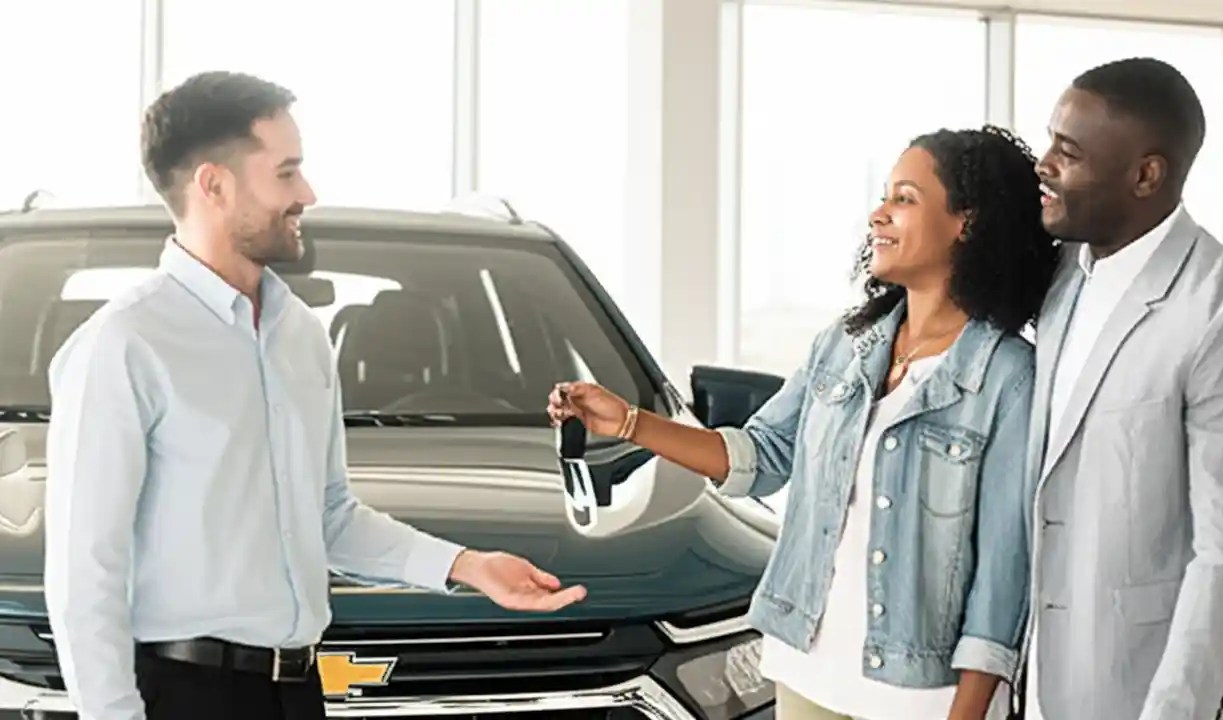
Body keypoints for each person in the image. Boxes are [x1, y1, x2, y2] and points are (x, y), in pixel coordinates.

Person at [42, 70, 586, 720]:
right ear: (213, 184)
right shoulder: (124, 345)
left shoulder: (297, 332)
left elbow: (327, 516)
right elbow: (85, 573)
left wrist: (467, 565)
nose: (307, 193)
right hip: (181, 696)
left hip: (297, 694)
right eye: (286, 173)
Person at [549, 125, 1060, 720]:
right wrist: (631, 423)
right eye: (884, 196)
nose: (878, 214)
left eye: (904, 198)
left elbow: (1003, 577)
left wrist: (968, 713)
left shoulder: (1007, 376)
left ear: (965, 222)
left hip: (922, 697)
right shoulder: (844, 345)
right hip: (805, 670)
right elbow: (761, 457)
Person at [1019, 57, 1223, 720]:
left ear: (1146, 174)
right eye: (1050, 140)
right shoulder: (1062, 272)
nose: (1044, 163)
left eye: (1067, 152)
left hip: (1150, 694)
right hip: (1044, 681)